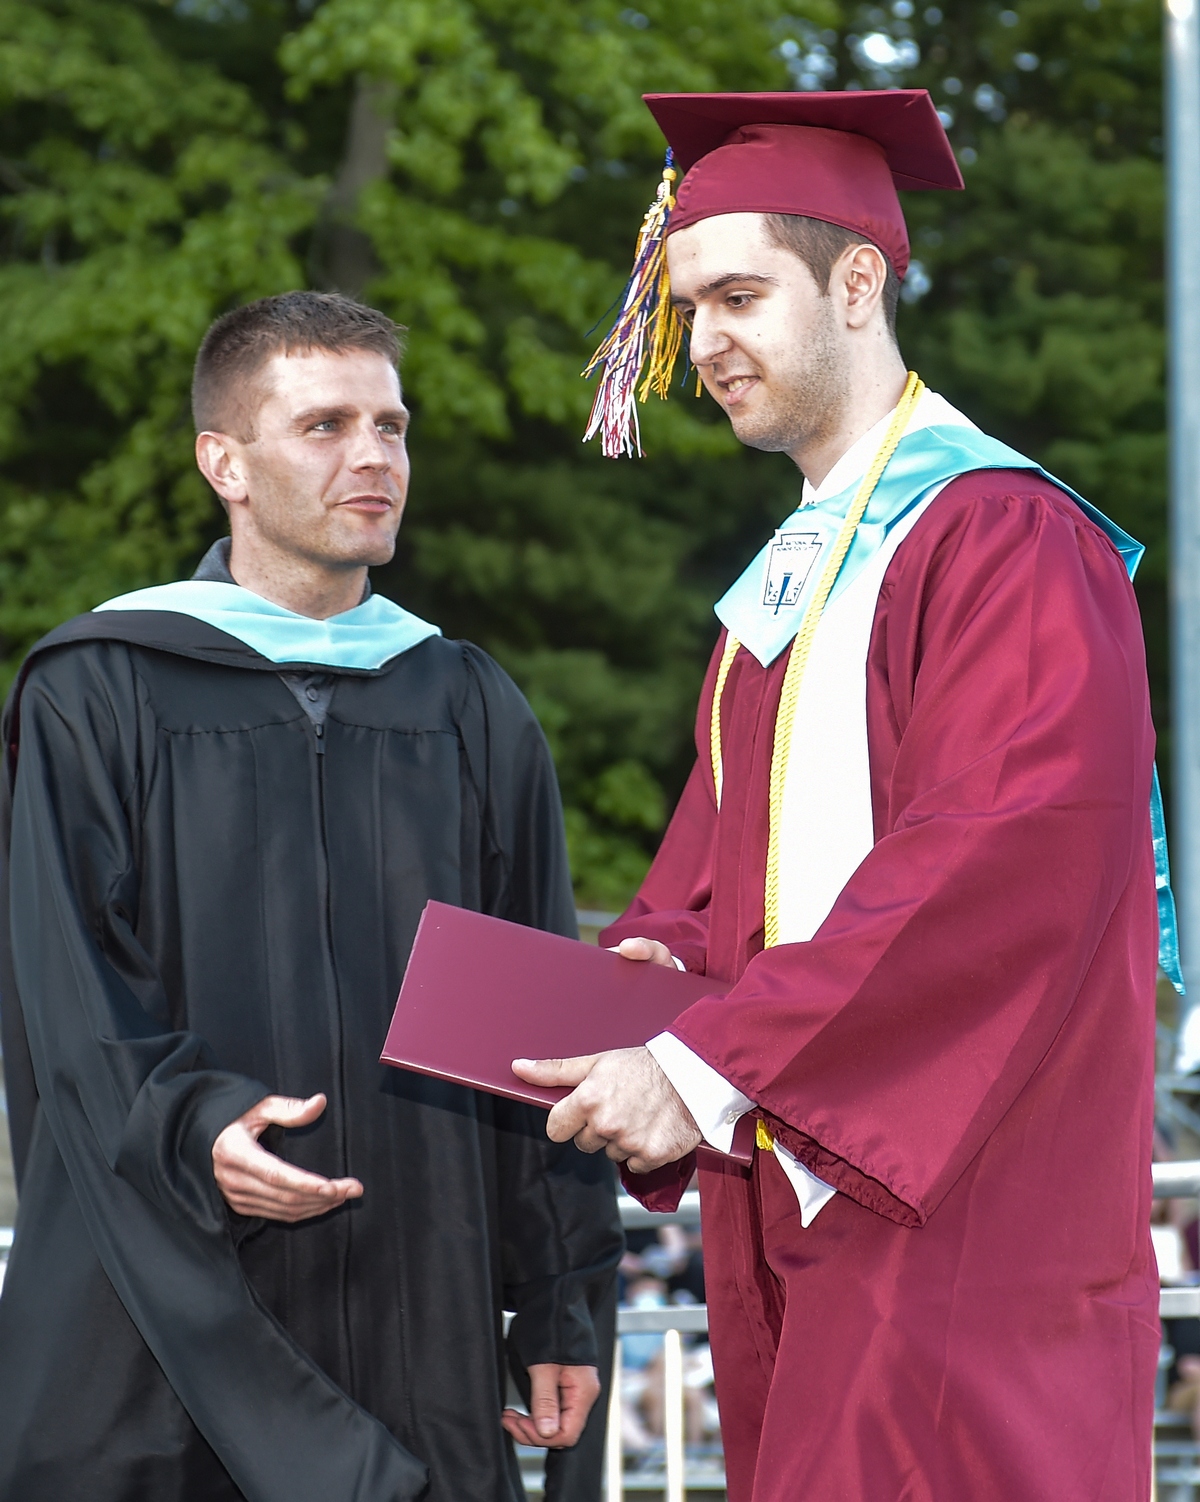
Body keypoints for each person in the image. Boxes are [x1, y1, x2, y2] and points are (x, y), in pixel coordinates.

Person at [515, 91, 1170, 1500]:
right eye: (689, 309)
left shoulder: (1005, 537)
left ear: (859, 281)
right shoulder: (793, 580)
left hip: (959, 1227)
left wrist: (697, 1062)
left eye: (742, 294)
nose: (708, 346)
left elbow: (997, 867)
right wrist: (658, 967)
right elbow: (716, 874)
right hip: (801, 1210)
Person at [0, 291, 622, 1502]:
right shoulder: (96, 688)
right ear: (222, 461)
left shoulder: (466, 702)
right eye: (326, 425)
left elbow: (544, 1034)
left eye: (392, 425)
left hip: (419, 1321)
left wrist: (560, 1293)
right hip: (163, 1324)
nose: (375, 456)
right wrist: (197, 1126)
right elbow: (68, 987)